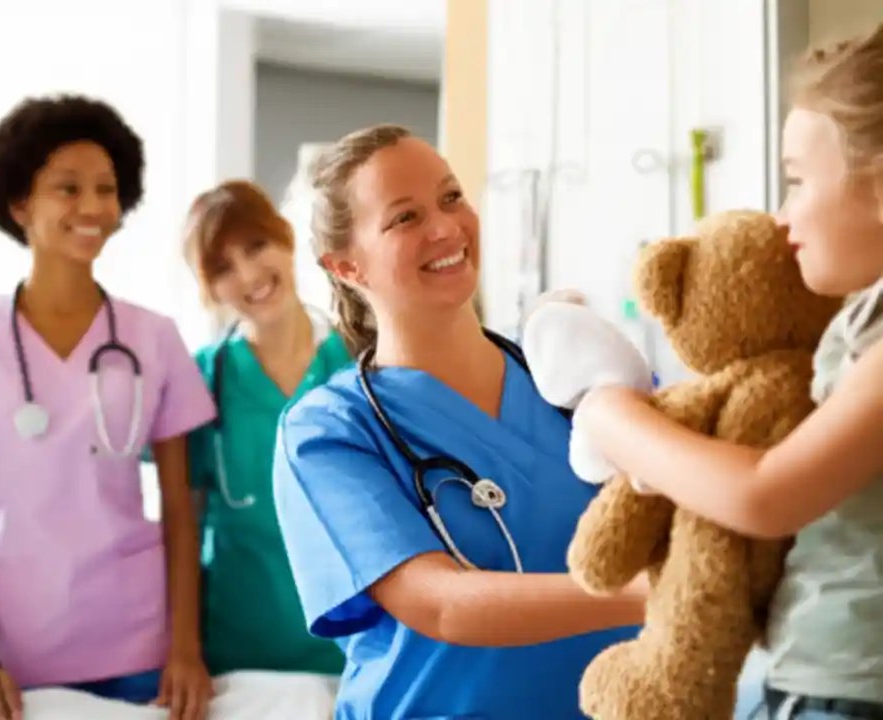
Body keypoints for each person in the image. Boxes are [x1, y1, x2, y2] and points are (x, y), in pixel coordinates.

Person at [270, 124, 647, 720]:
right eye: (404, 218)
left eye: (451, 198)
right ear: (346, 267)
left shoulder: (566, 376)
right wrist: (652, 594)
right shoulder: (330, 432)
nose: (445, 228)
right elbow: (441, 604)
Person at [569, 26, 883, 720]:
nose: (782, 216)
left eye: (798, 181)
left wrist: (612, 418)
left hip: (850, 687)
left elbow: (766, 495)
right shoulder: (860, 321)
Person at [0, 94, 216, 720]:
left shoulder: (153, 337)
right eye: (67, 188)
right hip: (15, 647)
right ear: (20, 204)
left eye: (106, 189)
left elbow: (183, 508)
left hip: (136, 641)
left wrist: (185, 647)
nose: (93, 207)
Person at [181, 180, 349, 679]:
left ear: (286, 240)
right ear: (210, 290)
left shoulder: (358, 364)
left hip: (347, 650)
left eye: (256, 247)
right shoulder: (202, 380)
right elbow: (184, 532)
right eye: (223, 268)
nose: (249, 274)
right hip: (236, 656)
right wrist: (184, 651)